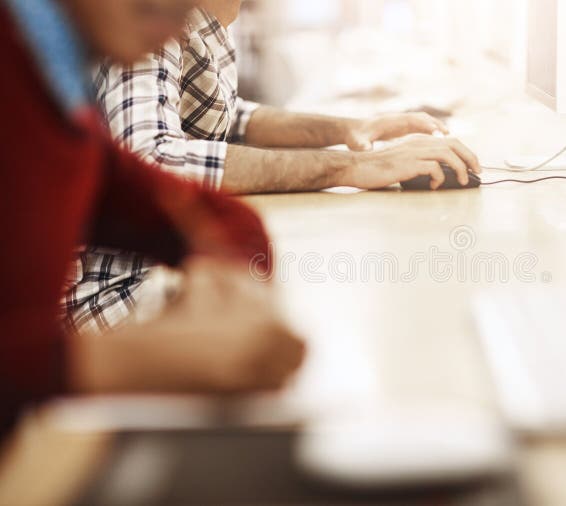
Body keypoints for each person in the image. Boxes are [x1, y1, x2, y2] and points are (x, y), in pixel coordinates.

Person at [66, 0, 483, 335]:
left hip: (163, 266)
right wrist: (351, 167)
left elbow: (231, 118)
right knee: (321, 301)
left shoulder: (206, 18)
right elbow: (154, 157)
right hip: (115, 294)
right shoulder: (152, 20)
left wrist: (352, 129)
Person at [0, 0, 305, 439]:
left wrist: (224, 274)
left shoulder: (53, 81)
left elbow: (207, 214)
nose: (170, 30)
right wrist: (124, 359)